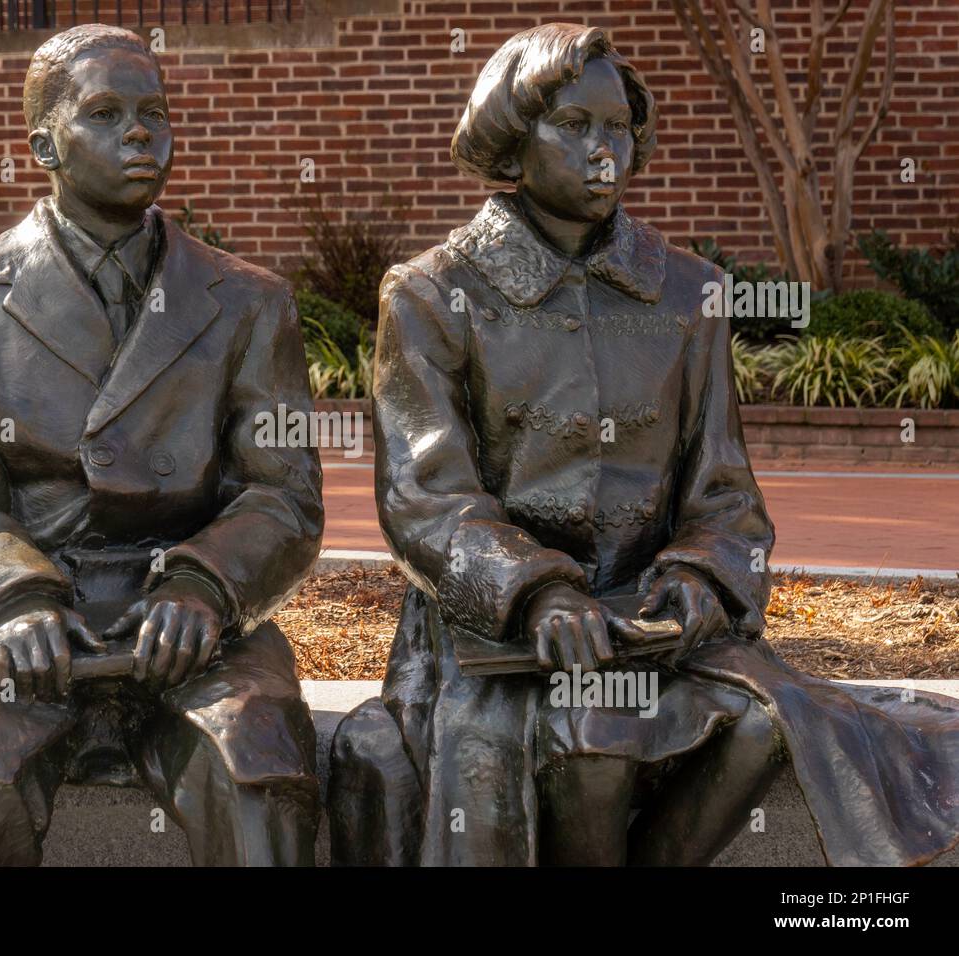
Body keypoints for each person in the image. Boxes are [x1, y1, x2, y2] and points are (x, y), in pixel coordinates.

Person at [328, 22, 959, 866]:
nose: (605, 151)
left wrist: (700, 579)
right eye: (576, 127)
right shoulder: (433, 294)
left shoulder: (690, 290)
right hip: (496, 641)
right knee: (592, 729)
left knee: (763, 721)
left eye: (619, 128)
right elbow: (426, 499)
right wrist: (539, 595)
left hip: (653, 627)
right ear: (513, 141)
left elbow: (725, 493)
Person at [0, 24, 323, 866]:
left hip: (189, 621)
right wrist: (7, 599)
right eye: (106, 113)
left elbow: (281, 491)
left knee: (254, 769)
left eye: (154, 111)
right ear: (44, 143)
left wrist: (205, 587)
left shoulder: (251, 302)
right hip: (18, 620)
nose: (141, 132)